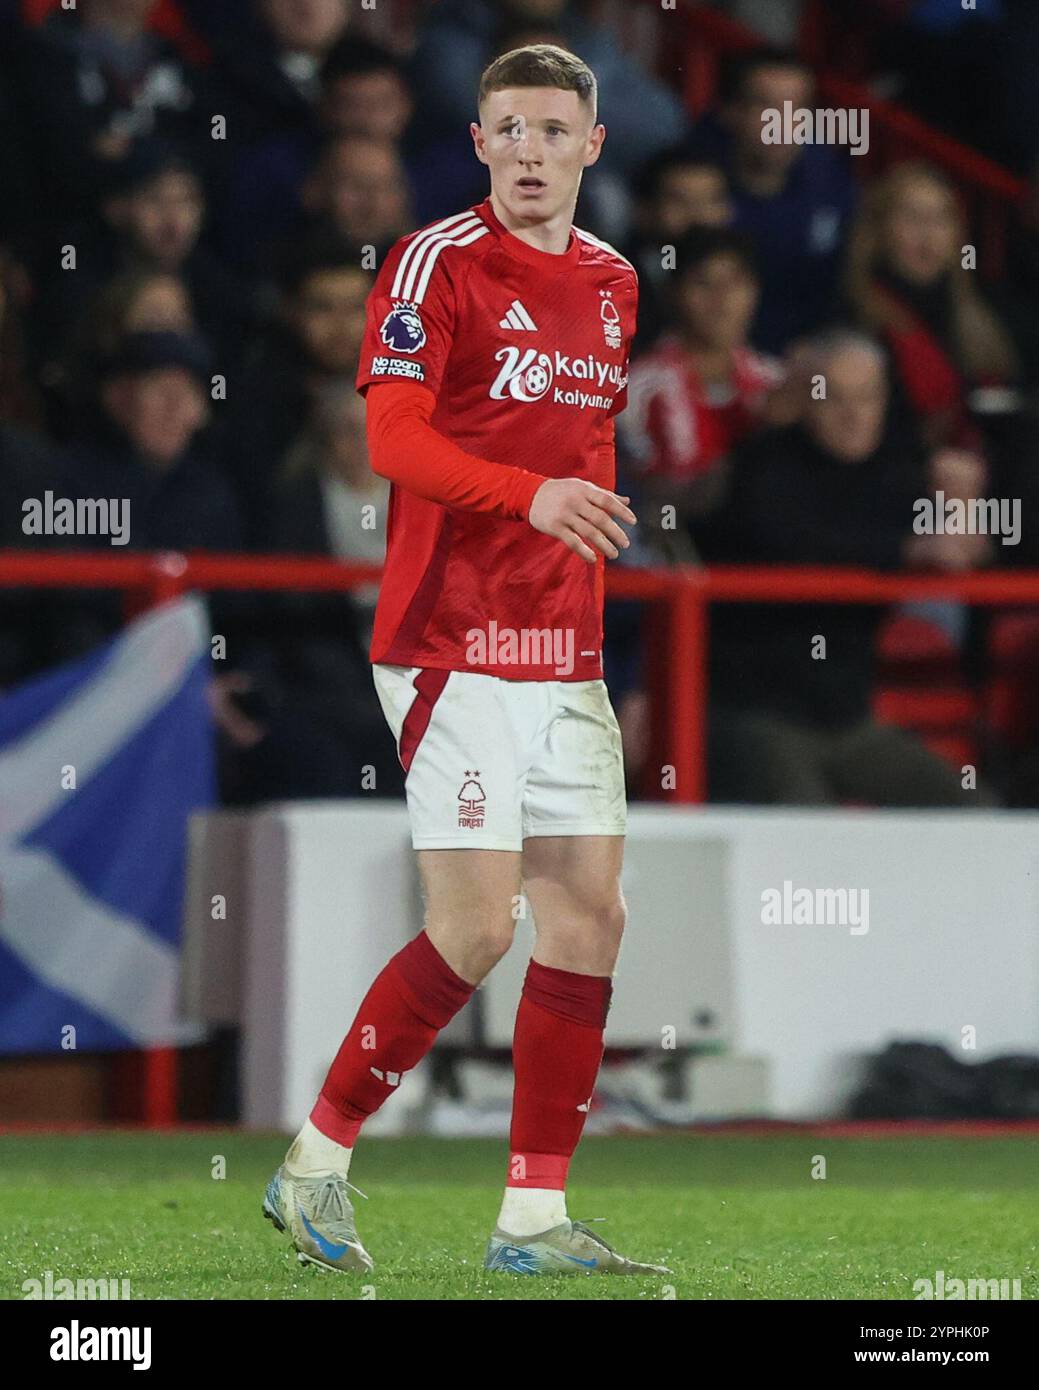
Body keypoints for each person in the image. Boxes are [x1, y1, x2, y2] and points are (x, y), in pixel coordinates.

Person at [263, 42, 669, 1278]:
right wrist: (531, 498)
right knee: (477, 927)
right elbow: (392, 439)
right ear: (480, 143)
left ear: (592, 146)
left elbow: (582, 439)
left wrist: (585, 515)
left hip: (562, 645)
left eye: (556, 131)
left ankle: (533, 1220)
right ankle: (313, 1163)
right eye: (510, 130)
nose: (533, 153)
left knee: (589, 917)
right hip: (451, 635)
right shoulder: (431, 260)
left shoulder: (609, 282)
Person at [705, 328, 995, 807]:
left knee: (974, 813)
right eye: (834, 397)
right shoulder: (765, 466)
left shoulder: (898, 471)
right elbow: (788, 540)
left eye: (868, 398)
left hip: (850, 723)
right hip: (757, 716)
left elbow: (974, 545)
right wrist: (906, 551)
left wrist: (967, 507)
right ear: (806, 401)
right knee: (813, 827)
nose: (854, 414)